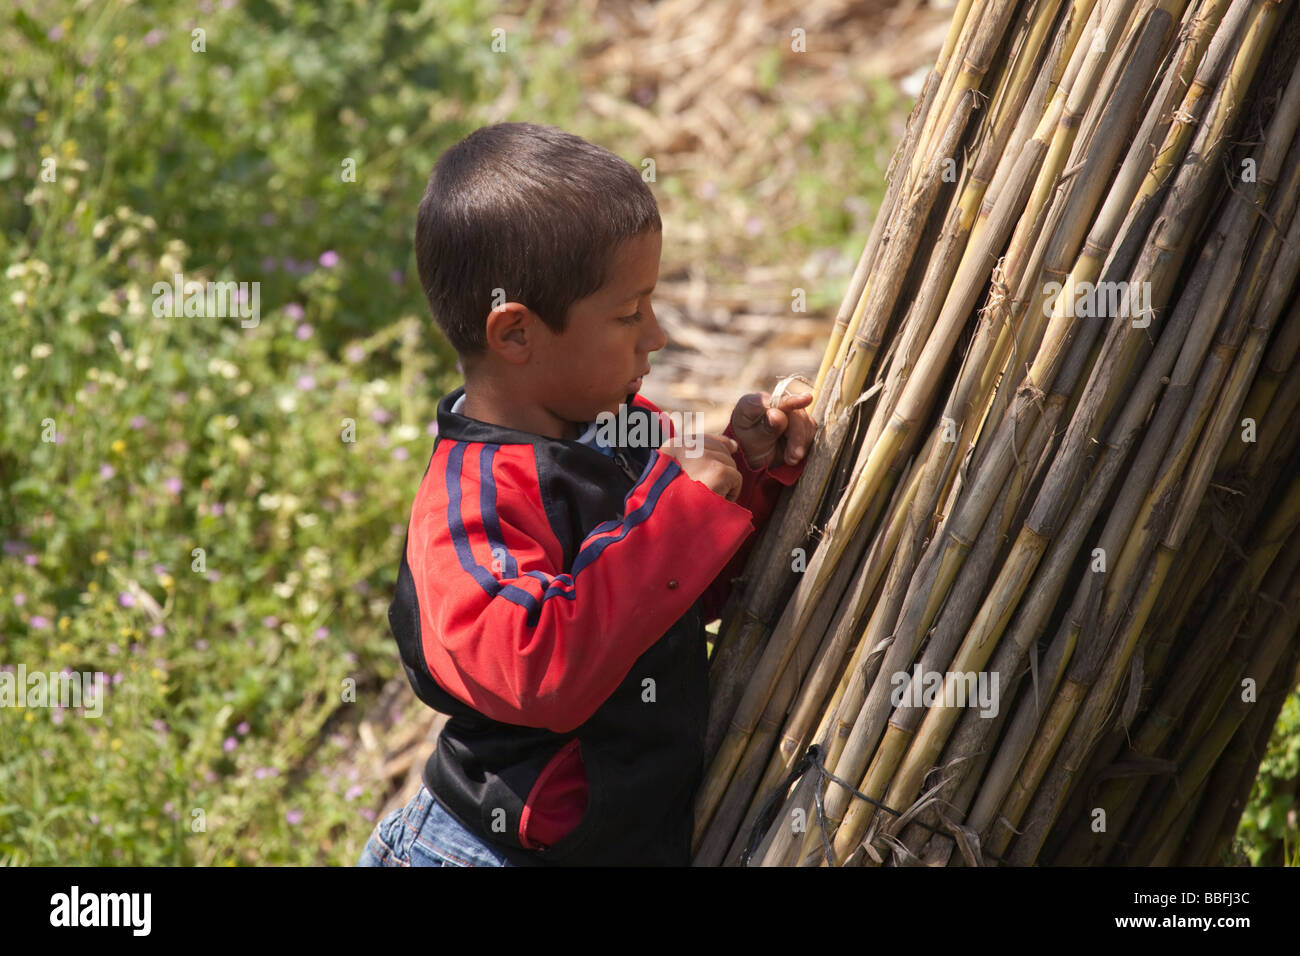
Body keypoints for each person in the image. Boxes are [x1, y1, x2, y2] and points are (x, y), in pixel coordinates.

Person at [357, 122, 817, 867]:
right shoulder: (467, 507)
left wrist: (751, 476)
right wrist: (682, 515)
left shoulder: (624, 431)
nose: (657, 336)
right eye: (629, 314)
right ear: (515, 334)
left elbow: (668, 594)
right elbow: (540, 671)